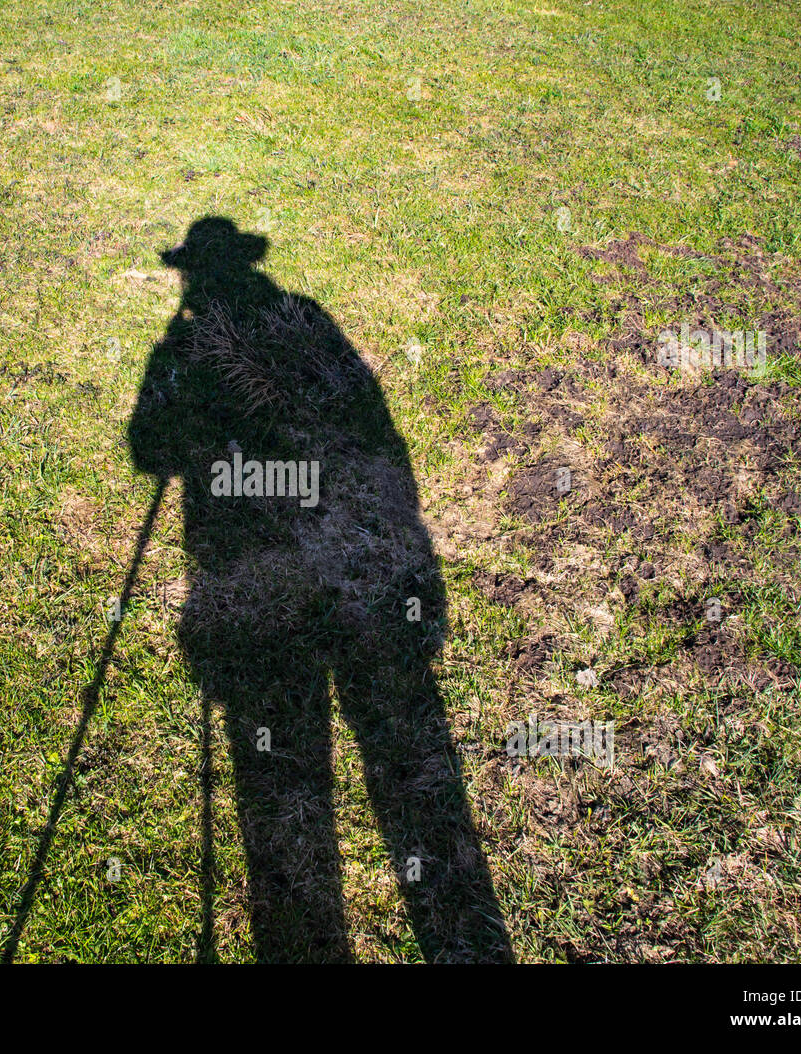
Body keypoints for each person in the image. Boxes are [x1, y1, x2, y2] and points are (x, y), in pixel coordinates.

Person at [127, 216, 511, 962]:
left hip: (256, 562)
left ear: (191, 272)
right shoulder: (303, 317)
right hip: (336, 551)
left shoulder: (187, 340)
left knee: (282, 775)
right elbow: (366, 417)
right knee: (398, 757)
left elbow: (149, 449)